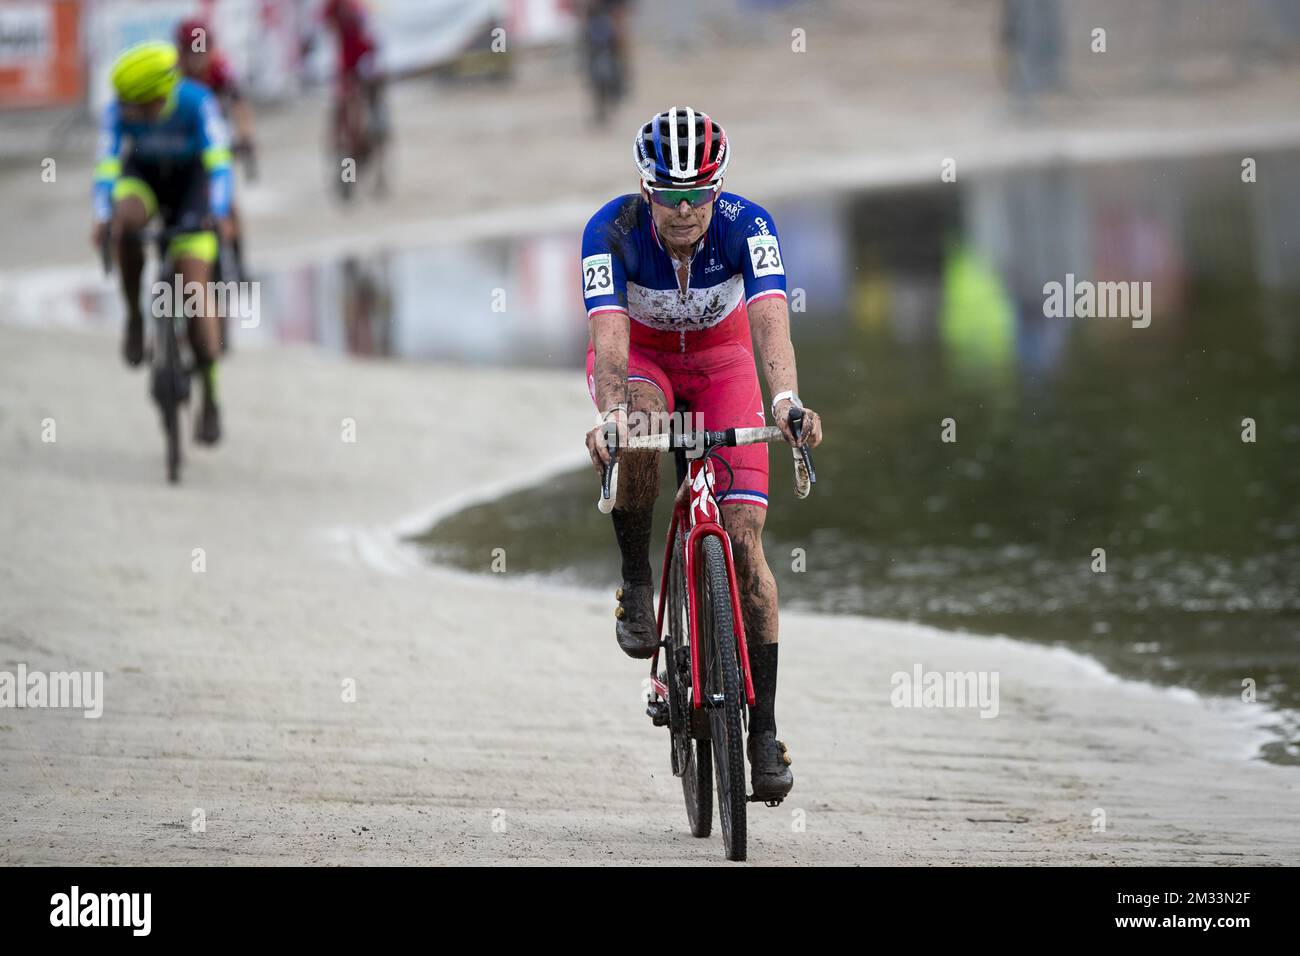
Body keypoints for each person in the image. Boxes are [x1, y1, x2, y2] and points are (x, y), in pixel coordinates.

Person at [581, 107, 824, 801]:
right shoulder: (611, 231)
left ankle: (762, 732)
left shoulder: (750, 226)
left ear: (719, 187)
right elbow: (608, 343)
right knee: (643, 432)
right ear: (645, 187)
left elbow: (771, 325)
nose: (684, 210)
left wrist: (786, 405)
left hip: (723, 363)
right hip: (645, 364)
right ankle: (637, 580)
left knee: (746, 550)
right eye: (669, 194)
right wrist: (612, 417)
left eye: (698, 194)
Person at [92, 41, 233, 444]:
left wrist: (219, 212)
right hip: (146, 180)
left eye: (133, 107)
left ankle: (211, 393)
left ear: (156, 98)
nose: (124, 113)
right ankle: (135, 316)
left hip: (193, 187)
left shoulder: (196, 102)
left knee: (192, 289)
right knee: (125, 220)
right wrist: (104, 215)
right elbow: (106, 167)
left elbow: (220, 163)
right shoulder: (117, 111)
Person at [175, 16, 254, 284]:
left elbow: (240, 104)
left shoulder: (220, 68)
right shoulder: (173, 73)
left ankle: (238, 258)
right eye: (190, 52)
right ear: (180, 52)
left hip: (217, 138)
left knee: (227, 202)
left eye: (202, 50)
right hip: (184, 142)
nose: (197, 60)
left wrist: (246, 137)